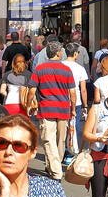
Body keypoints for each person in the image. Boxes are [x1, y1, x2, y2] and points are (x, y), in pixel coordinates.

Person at [33, 41, 77, 180]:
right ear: (58, 53)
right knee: (60, 141)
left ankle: (54, 168)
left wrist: (30, 104)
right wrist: (73, 108)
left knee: (48, 139)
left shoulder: (39, 69)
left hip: (46, 109)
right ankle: (54, 168)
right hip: (63, 109)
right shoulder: (67, 70)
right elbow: (73, 93)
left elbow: (32, 90)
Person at [62, 42, 90, 159]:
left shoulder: (60, 65)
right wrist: (85, 105)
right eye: (77, 52)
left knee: (62, 128)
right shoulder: (80, 68)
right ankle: (70, 153)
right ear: (75, 54)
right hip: (76, 102)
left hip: (61, 101)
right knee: (74, 127)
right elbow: (83, 89)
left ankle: (62, 151)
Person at [0, 50, 34, 116]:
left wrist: (8, 94)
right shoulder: (29, 75)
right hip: (23, 104)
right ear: (24, 63)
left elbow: (2, 91)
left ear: (13, 63)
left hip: (9, 103)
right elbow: (32, 90)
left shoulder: (7, 74)